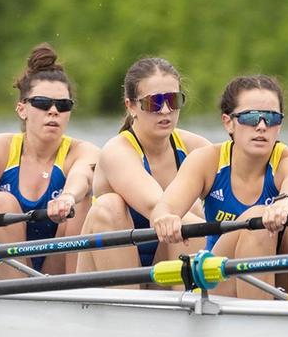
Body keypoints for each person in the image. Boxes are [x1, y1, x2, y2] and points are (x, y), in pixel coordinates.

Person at [151, 74, 288, 298]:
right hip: (220, 277)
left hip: (276, 273)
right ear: (228, 122)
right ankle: (258, 322)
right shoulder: (207, 161)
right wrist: (166, 218)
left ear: (279, 126)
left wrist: (286, 202)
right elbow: (163, 208)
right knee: (258, 219)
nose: (262, 126)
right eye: (251, 118)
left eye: (272, 118)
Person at [0, 44, 100, 277]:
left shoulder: (84, 151)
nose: (53, 111)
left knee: (83, 203)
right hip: (2, 269)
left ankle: (76, 297)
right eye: (42, 103)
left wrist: (69, 196)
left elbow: (83, 175)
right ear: (22, 109)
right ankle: (19, 299)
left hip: (58, 264)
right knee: (0, 202)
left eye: (63, 105)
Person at [76, 57, 213, 276]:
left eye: (173, 100)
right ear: (131, 106)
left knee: (197, 210)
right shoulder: (117, 152)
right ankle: (130, 303)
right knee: (111, 205)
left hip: (163, 267)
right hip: (110, 272)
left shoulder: (196, 148)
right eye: (154, 102)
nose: (166, 110)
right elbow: (157, 208)